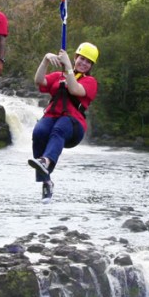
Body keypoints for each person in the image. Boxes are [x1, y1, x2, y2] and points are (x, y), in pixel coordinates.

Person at [28, 42, 99, 200]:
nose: (84, 63)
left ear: (91, 66)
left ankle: (45, 161)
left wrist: (68, 67)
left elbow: (74, 89)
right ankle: (46, 181)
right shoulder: (58, 76)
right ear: (75, 58)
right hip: (52, 117)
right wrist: (46, 59)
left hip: (74, 125)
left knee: (60, 128)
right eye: (81, 59)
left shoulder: (90, 82)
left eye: (88, 62)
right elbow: (39, 80)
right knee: (39, 132)